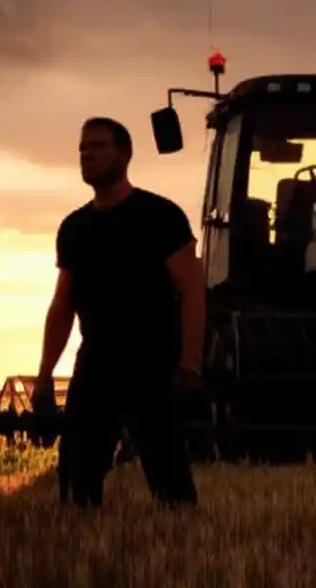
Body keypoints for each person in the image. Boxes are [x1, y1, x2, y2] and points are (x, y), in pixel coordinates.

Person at [31, 116, 205, 508]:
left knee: (170, 484)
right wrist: (44, 375)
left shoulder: (161, 216)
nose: (87, 155)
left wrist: (190, 364)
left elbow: (192, 291)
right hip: (96, 362)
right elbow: (62, 306)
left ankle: (180, 558)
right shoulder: (74, 228)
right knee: (77, 480)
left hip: (153, 363)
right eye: (82, 148)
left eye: (97, 146)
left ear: (124, 154)